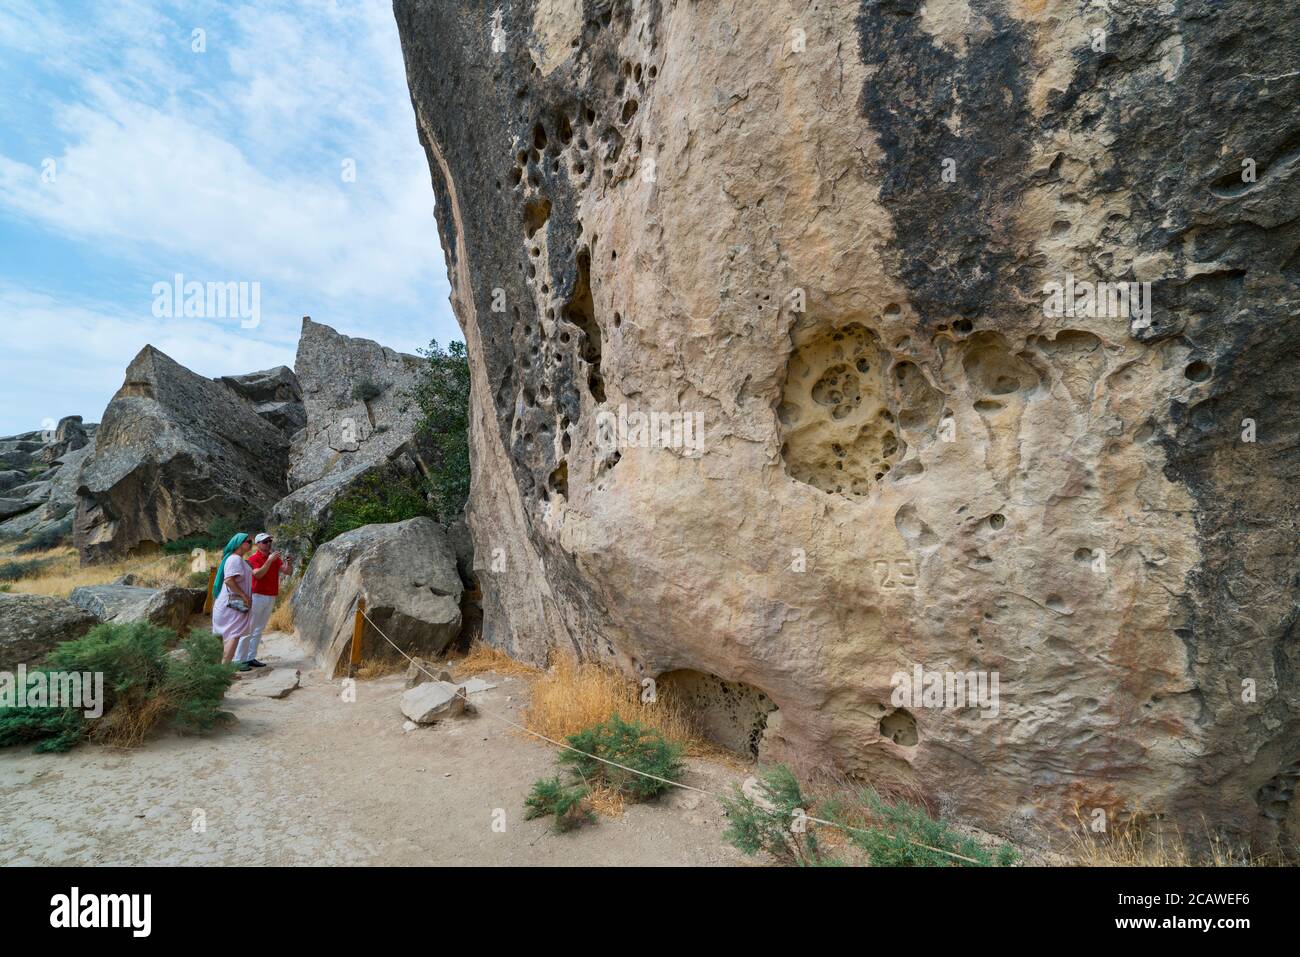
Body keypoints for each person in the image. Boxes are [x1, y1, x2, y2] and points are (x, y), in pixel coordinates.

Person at [236, 532, 292, 669]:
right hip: (257, 596)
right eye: (265, 542)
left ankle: (250, 657)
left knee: (259, 629)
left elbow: (287, 572)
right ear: (258, 544)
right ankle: (238, 660)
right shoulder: (252, 559)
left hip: (270, 595)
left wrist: (289, 562)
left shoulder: (274, 558)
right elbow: (258, 575)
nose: (268, 544)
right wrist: (269, 561)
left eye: (269, 541)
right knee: (249, 628)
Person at [211, 532, 255, 669]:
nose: (251, 544)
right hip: (232, 605)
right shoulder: (234, 559)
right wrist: (244, 595)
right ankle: (224, 671)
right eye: (248, 541)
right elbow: (229, 580)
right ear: (239, 543)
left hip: (229, 604)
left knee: (230, 635)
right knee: (234, 635)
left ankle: (223, 670)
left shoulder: (236, 559)